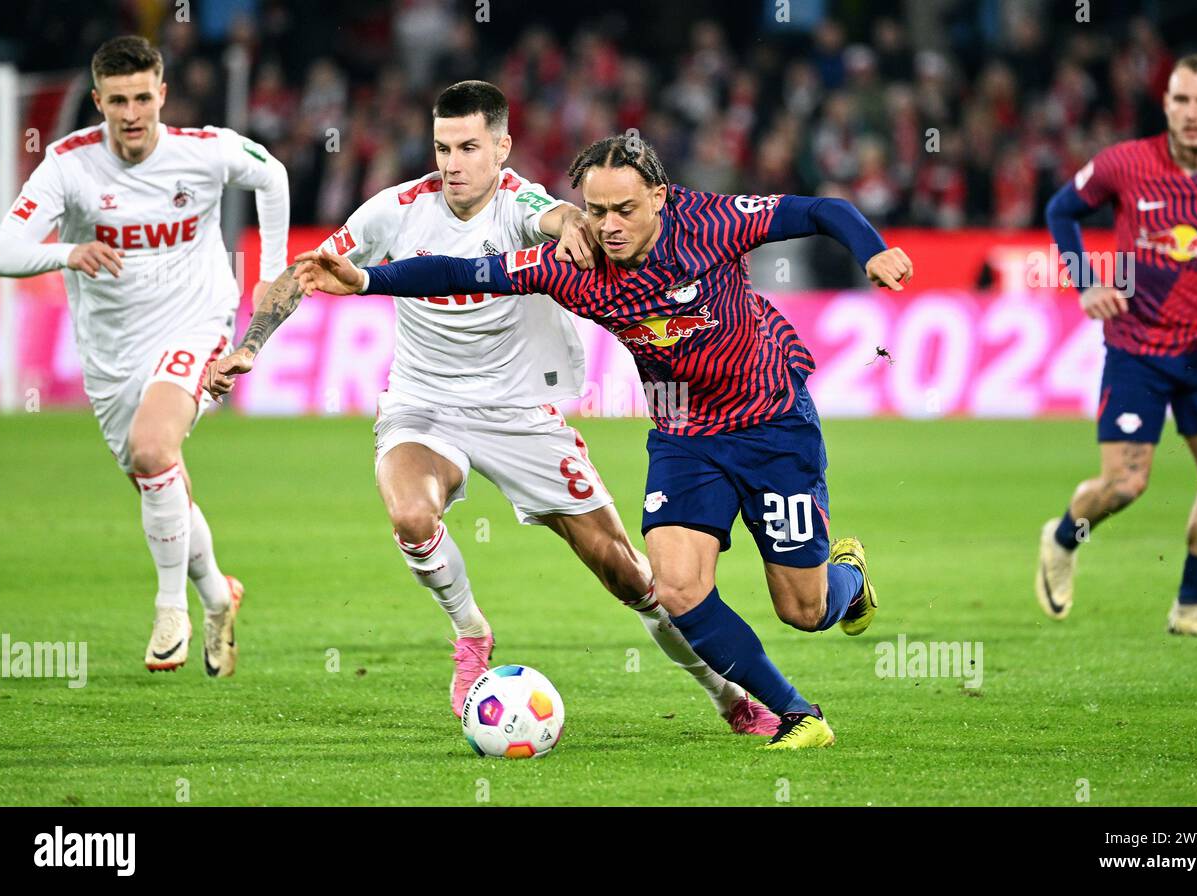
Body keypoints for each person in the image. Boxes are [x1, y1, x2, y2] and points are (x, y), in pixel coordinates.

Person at [292, 134, 915, 749]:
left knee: (803, 611)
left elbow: (822, 210)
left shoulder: (713, 221)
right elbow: (463, 271)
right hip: (684, 435)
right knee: (677, 589)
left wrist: (873, 251)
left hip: (771, 423)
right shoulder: (572, 264)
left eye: (625, 209)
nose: (609, 226)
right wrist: (366, 280)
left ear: (660, 198)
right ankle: (796, 713)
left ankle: (848, 580)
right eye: (595, 210)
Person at [205, 82, 777, 734]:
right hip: (424, 405)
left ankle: (728, 695)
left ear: (501, 148)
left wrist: (574, 225)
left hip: (518, 413)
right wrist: (249, 346)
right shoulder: (394, 210)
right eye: (443, 147)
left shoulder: (518, 202)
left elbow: (556, 216)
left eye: (469, 147)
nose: (453, 163)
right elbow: (306, 271)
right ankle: (471, 631)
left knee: (629, 575)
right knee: (411, 515)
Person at [0, 36, 291, 674]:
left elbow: (272, 174)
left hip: (196, 324)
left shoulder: (203, 150)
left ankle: (170, 608)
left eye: (143, 98)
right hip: (112, 352)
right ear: (98, 101)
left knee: (153, 450)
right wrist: (68, 251)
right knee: (159, 479)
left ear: (162, 95)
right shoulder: (68, 166)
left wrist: (271, 272)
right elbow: (1, 254)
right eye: (118, 101)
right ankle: (218, 595)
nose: (132, 113)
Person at [1036, 54, 1197, 637]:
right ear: (1166, 105)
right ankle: (1063, 538)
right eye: (1182, 100)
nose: (1193, 113)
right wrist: (1087, 282)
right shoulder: (1126, 163)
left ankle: (1190, 608)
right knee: (1125, 485)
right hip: (1136, 347)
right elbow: (1061, 210)